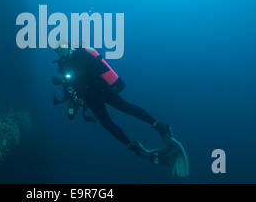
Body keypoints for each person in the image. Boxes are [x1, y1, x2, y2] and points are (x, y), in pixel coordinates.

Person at [51, 44, 189, 178]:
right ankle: (134, 148)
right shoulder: (62, 65)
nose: (59, 51)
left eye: (61, 47)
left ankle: (159, 126)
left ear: (68, 46)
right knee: (107, 124)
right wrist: (66, 87)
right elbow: (71, 87)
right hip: (90, 97)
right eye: (57, 49)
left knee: (125, 107)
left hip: (101, 88)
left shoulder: (80, 53)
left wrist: (73, 76)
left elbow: (99, 67)